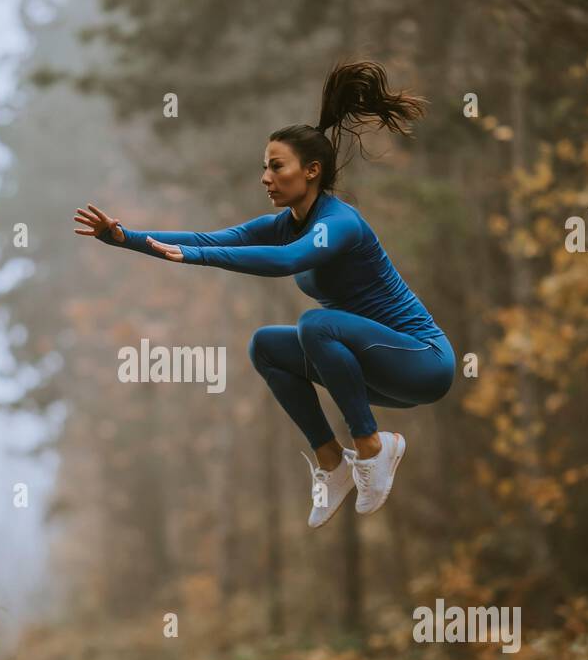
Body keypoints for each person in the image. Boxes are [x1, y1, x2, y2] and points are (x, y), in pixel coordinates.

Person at [74, 60, 454, 529]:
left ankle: (374, 448)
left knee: (315, 324)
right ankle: (333, 463)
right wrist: (123, 237)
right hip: (375, 374)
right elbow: (210, 239)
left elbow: (286, 262)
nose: (265, 178)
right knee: (267, 346)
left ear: (311, 170)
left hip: (424, 362)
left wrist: (192, 258)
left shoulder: (340, 224)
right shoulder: (283, 225)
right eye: (264, 167)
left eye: (276, 166)